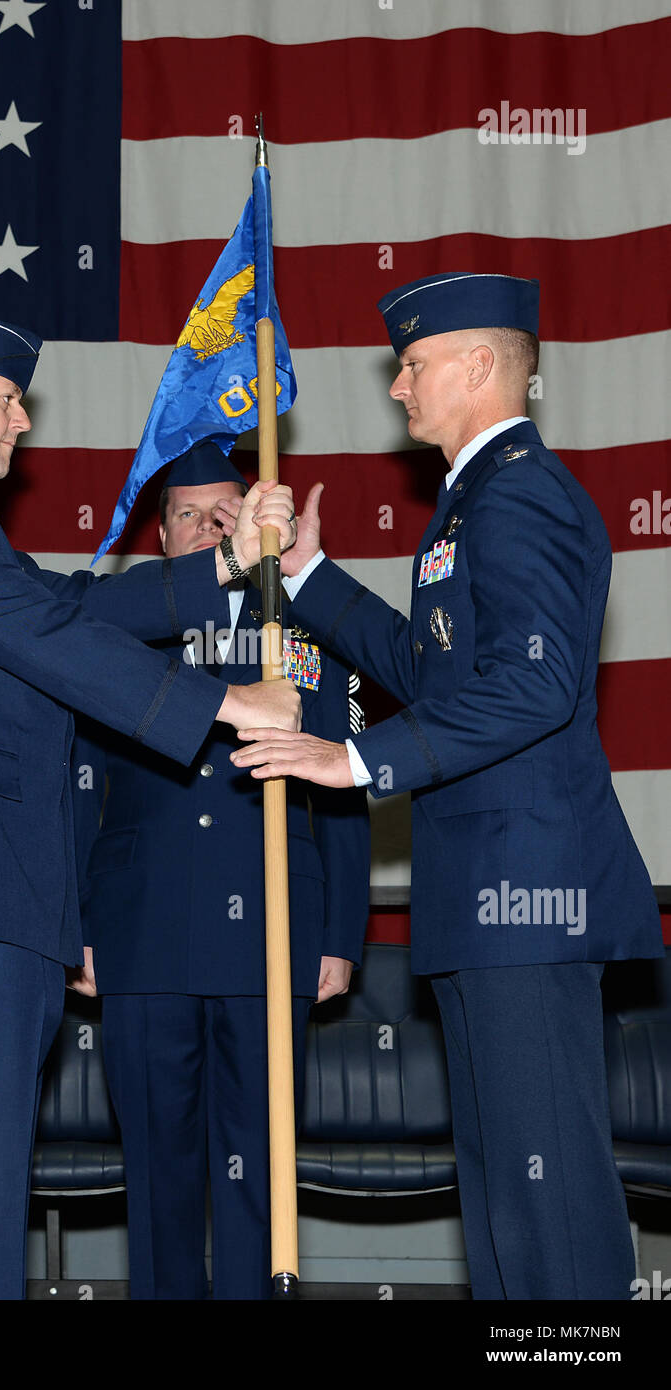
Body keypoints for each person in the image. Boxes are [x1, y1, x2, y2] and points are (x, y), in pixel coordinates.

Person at [0, 315, 301, 1300]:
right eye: (6, 399)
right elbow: (50, 635)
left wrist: (224, 566)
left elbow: (72, 607)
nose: (23, 421)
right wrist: (230, 702)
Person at [232, 272, 664, 1300]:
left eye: (414, 364)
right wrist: (307, 573)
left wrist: (355, 761)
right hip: (485, 897)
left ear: (479, 366)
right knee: (509, 1207)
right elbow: (434, 673)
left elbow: (534, 685)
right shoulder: (476, 502)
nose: (398, 388)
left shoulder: (522, 494)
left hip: (529, 895)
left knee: (548, 1204)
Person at [70, 439, 370, 1299]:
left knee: (259, 1168)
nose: (207, 529)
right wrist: (74, 927)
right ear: (158, 536)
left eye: (226, 516)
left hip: (271, 933)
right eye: (186, 516)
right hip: (141, 926)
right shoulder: (110, 631)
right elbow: (72, 789)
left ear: (256, 527)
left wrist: (341, 934)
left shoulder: (303, 632)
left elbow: (343, 785)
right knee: (158, 1170)